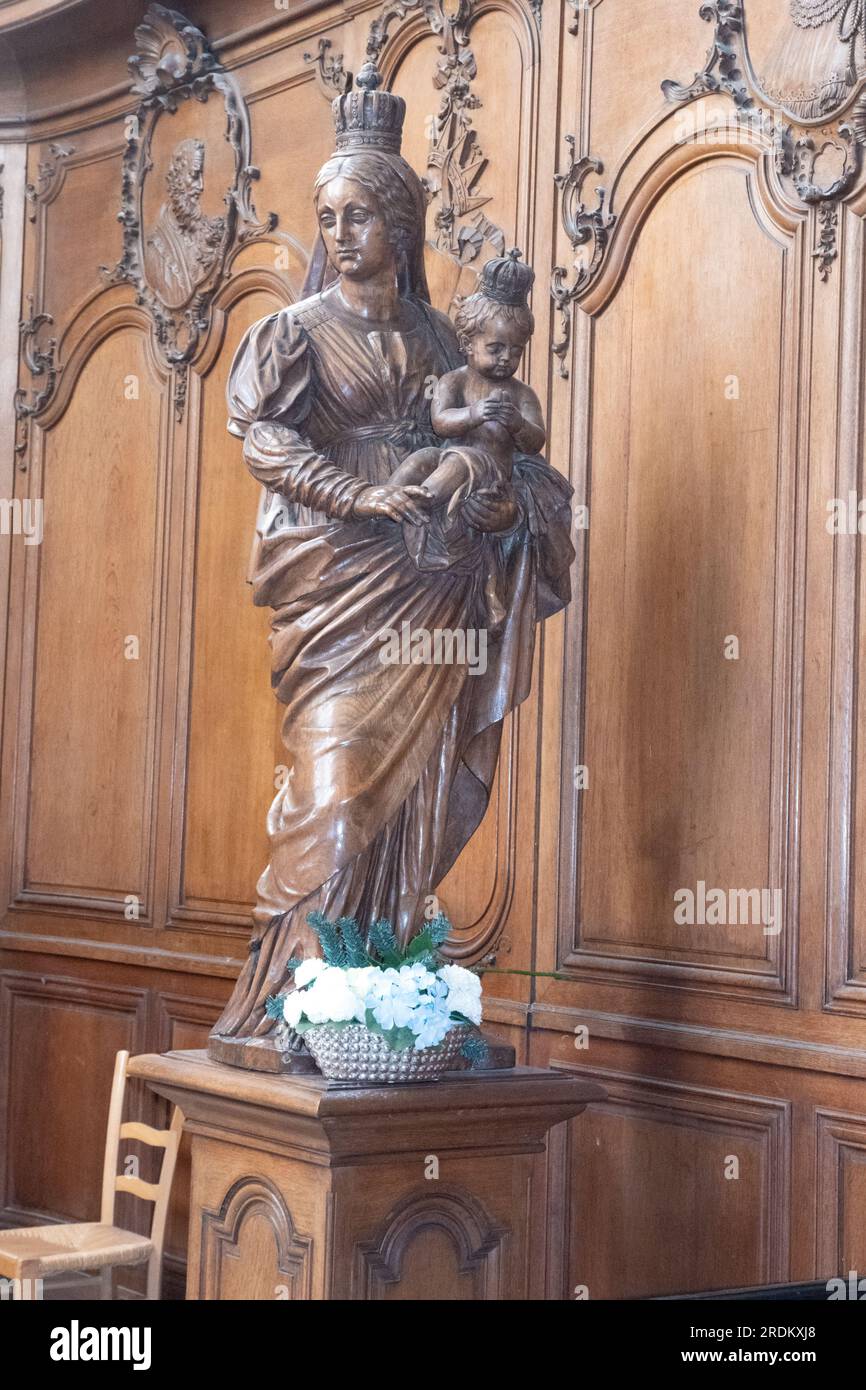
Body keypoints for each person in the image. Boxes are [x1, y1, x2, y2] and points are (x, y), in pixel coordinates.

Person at [209, 64, 574, 1055]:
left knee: (421, 795)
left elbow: (494, 455)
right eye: (327, 217)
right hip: (342, 593)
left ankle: (373, 997)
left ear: (400, 229)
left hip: (436, 588)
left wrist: (497, 497)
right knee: (335, 794)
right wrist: (363, 492)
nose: (338, 233)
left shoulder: (443, 339)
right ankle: (292, 1001)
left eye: (358, 215)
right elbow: (270, 447)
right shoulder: (293, 333)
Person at [391, 250, 546, 631]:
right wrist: (474, 414)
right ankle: (392, 503)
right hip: (450, 461)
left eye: (516, 351)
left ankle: (424, 503)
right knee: (422, 460)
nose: (506, 359)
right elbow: (441, 422)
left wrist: (515, 426)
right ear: (467, 342)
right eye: (495, 348)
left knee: (462, 462)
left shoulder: (521, 395)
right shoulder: (455, 381)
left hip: (490, 476)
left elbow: (534, 442)